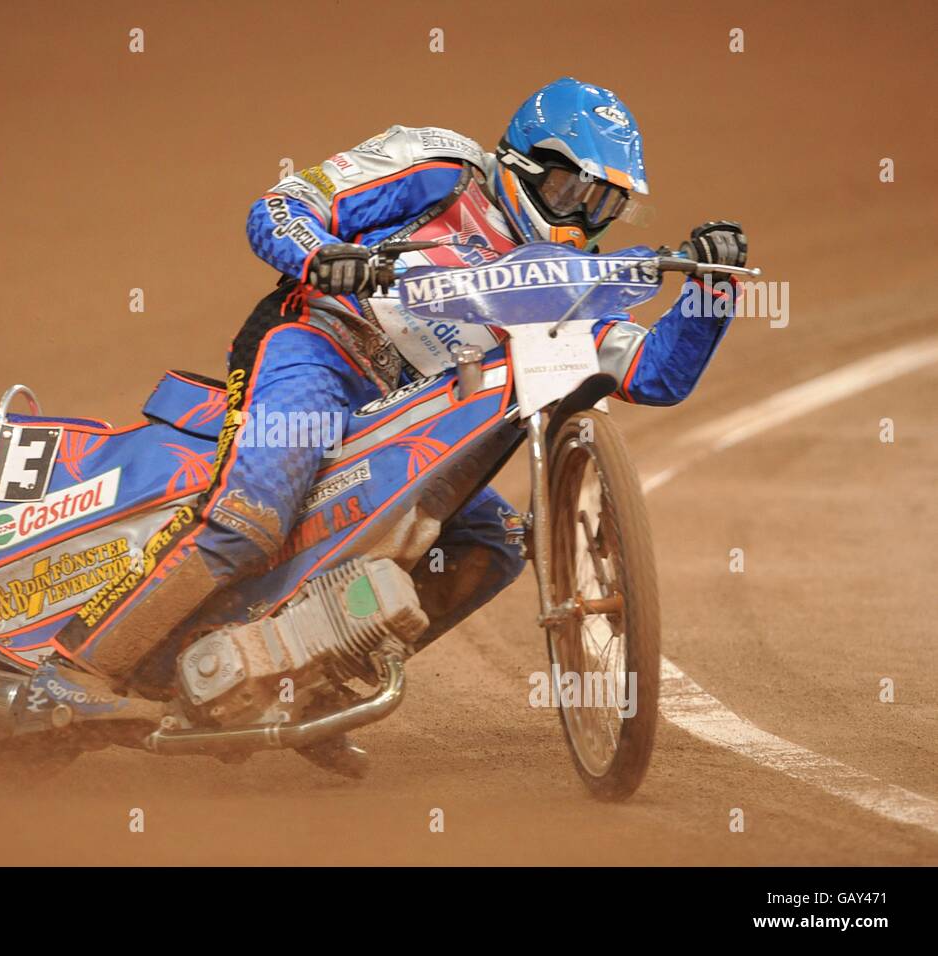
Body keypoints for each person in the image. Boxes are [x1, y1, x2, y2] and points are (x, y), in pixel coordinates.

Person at [54, 77, 747, 775]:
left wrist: (713, 288)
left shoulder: (567, 281)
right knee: (252, 519)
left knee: (492, 544)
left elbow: (653, 374)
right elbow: (282, 205)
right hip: (318, 344)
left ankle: (305, 691)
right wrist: (320, 254)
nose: (582, 221)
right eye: (574, 194)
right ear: (525, 163)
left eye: (606, 206)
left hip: (408, 413)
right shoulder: (441, 167)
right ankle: (76, 667)